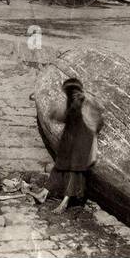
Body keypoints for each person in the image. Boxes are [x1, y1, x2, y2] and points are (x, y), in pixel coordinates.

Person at [49, 77, 101, 212]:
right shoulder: (70, 103)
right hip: (69, 142)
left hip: (82, 144)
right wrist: (55, 110)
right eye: (69, 91)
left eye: (74, 90)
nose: (71, 94)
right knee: (59, 168)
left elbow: (96, 124)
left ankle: (65, 202)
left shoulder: (87, 103)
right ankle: (44, 194)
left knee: (74, 171)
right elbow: (60, 116)